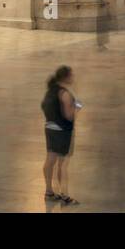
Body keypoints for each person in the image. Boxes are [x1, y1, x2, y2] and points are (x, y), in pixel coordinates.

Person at [42, 66, 80, 205]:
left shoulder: (50, 90)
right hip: (62, 132)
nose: (73, 77)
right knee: (62, 165)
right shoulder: (65, 94)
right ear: (66, 77)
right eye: (72, 75)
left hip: (49, 128)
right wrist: (78, 106)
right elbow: (69, 116)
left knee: (49, 161)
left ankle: (49, 191)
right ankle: (64, 195)